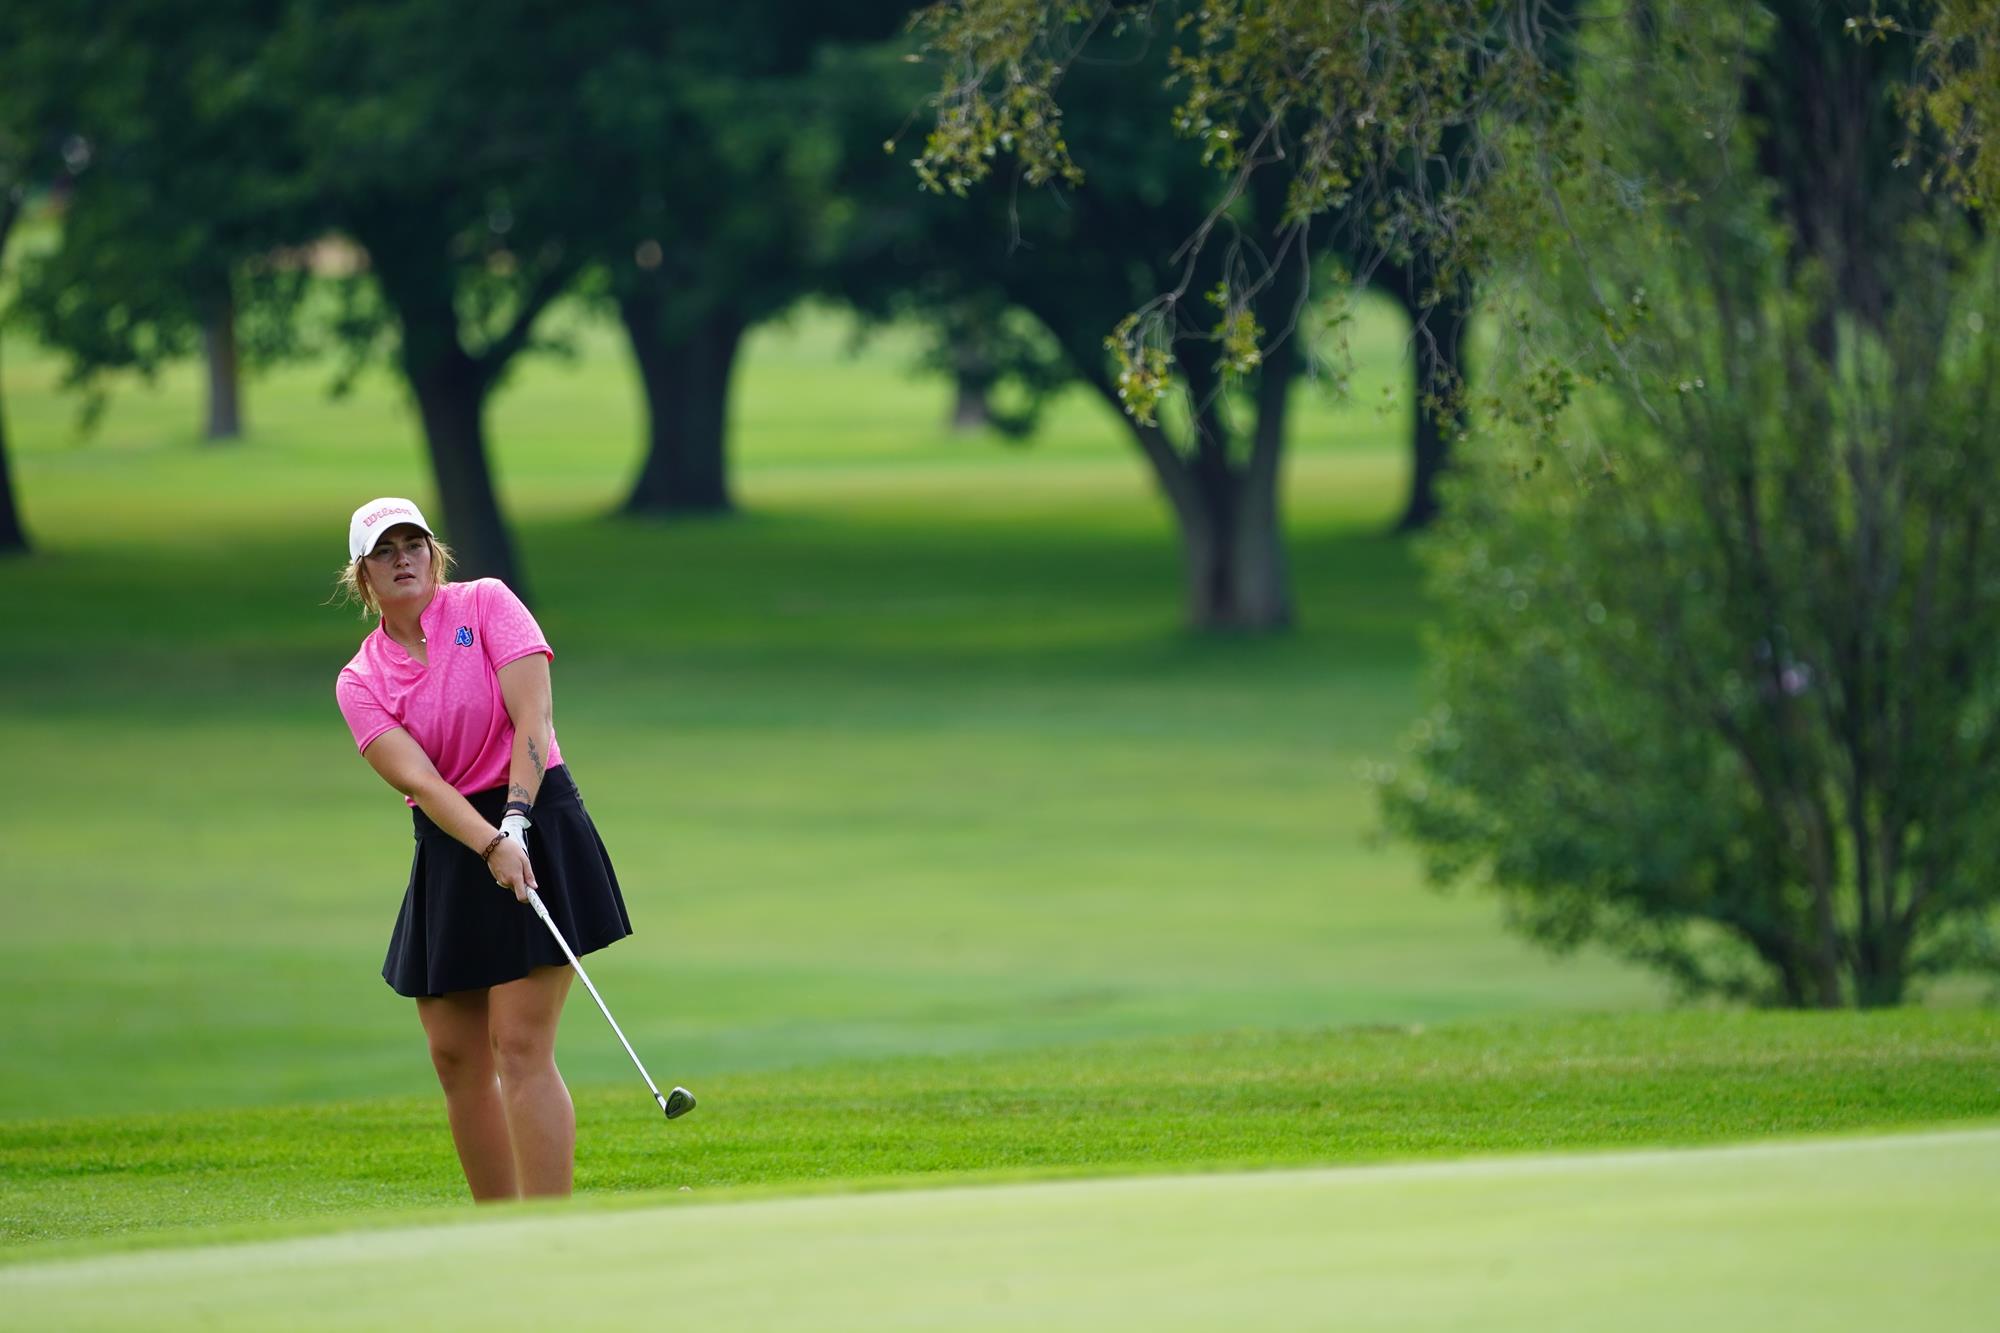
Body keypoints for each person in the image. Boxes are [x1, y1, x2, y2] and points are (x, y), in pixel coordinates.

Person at [332, 496, 632, 1200]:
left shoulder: (486, 603)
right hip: (456, 840)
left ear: (434, 554)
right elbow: (423, 783)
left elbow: (534, 714)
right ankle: (499, 1228)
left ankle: (548, 1229)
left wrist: (519, 818)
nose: (404, 558)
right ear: (363, 574)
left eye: (415, 544)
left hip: (540, 815)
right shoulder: (361, 680)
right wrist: (492, 842)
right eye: (386, 550)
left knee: (521, 1044)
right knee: (454, 1053)